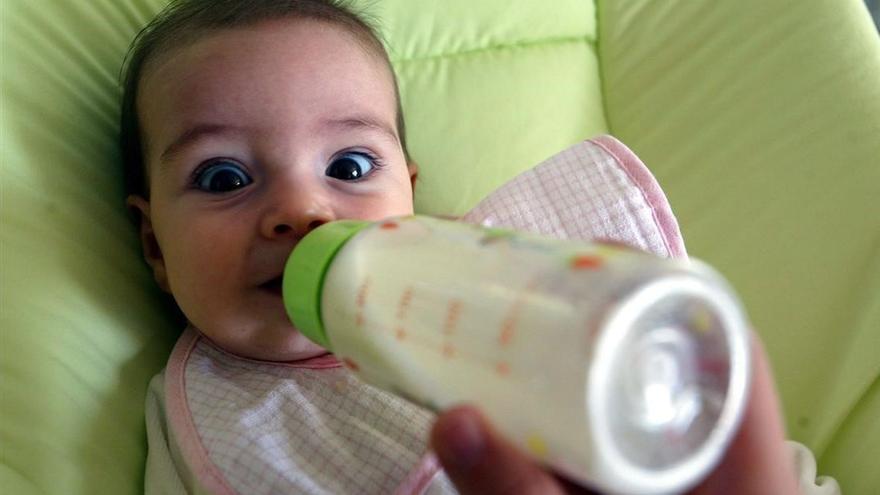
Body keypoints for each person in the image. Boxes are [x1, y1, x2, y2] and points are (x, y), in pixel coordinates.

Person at [121, 1, 829, 493]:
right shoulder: (204, 422)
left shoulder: (497, 275)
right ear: (154, 242)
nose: (302, 211)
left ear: (412, 190)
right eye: (225, 176)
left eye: (350, 166)